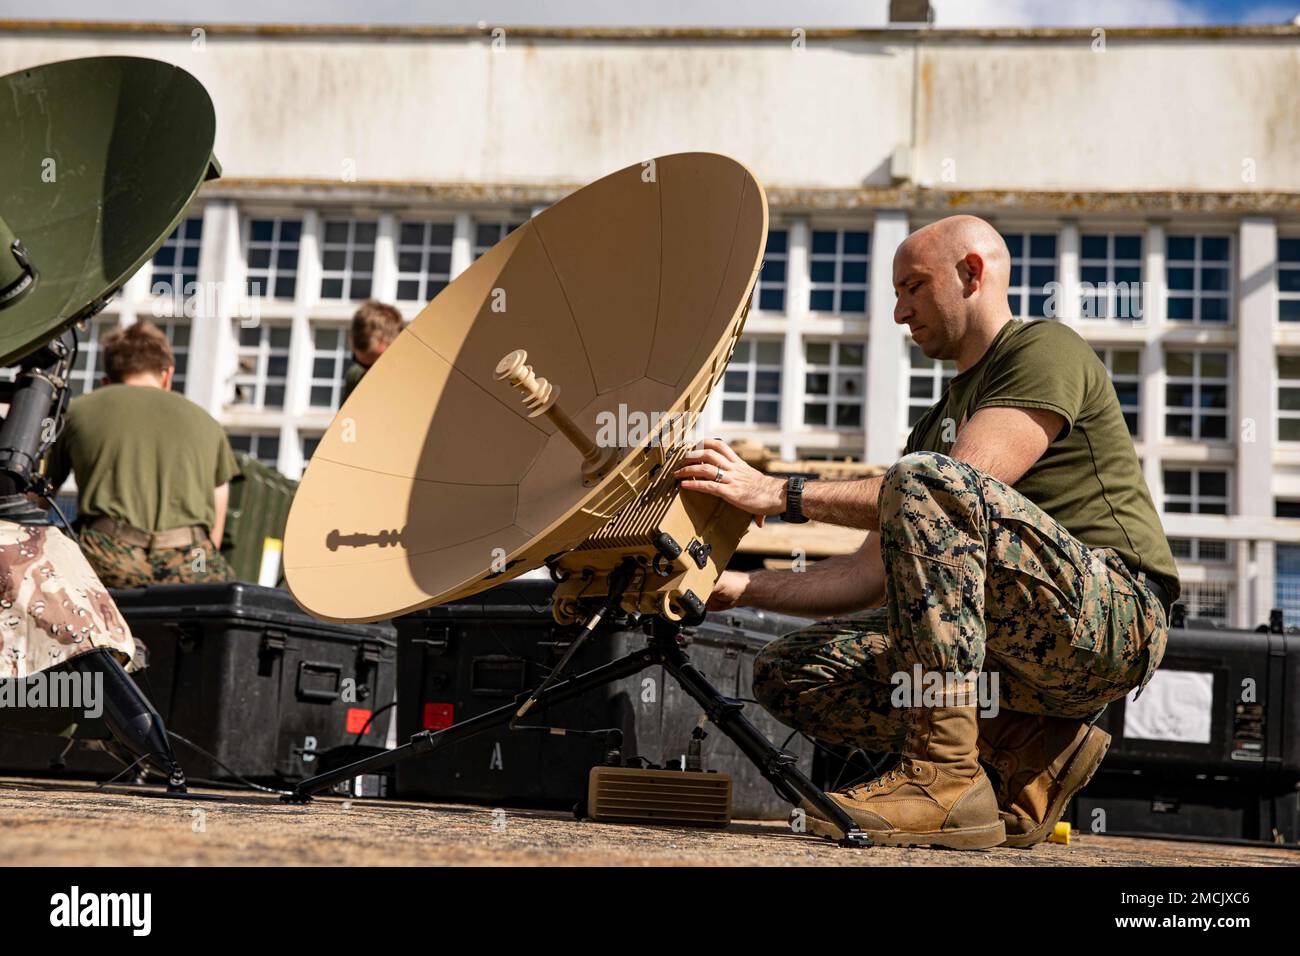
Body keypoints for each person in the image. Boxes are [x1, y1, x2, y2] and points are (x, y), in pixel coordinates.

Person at [675, 215, 1178, 850]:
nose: (898, 312)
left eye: (913, 286)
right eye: (896, 292)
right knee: (790, 671)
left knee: (924, 480)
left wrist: (780, 492)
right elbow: (866, 576)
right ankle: (1023, 749)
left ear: (973, 273)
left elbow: (955, 485)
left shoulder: (1042, 348)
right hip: (1011, 648)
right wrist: (740, 587)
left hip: (1112, 622)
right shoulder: (932, 428)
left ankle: (941, 777)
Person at [45, 320, 239, 588]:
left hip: (107, 558)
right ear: (167, 374)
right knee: (212, 578)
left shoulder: (77, 412)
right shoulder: (208, 423)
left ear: (106, 381)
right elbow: (218, 514)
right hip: (193, 563)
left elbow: (40, 496)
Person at [342, 300, 403, 402]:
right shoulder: (354, 377)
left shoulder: (416, 380)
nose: (368, 373)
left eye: (376, 366)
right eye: (361, 363)